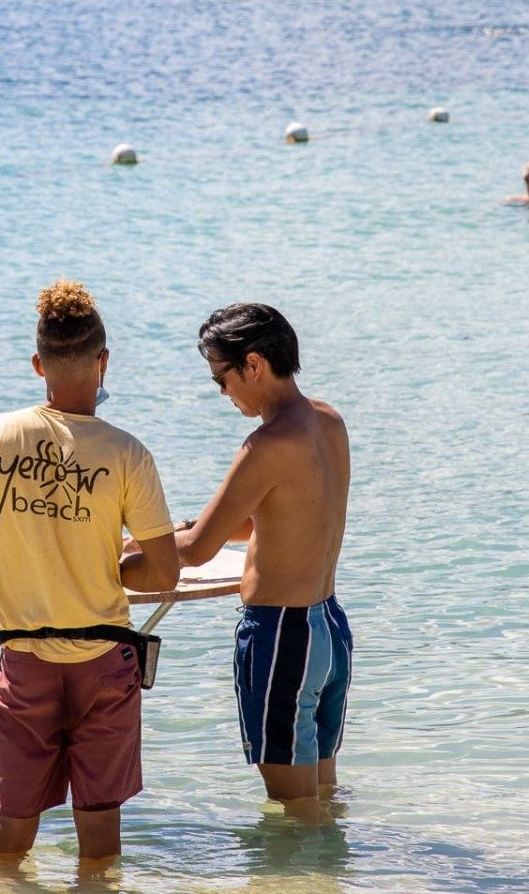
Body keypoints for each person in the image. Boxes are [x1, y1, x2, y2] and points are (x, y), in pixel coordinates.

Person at [0, 280, 179, 870]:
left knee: (11, 829)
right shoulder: (128, 453)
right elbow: (165, 570)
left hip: (24, 660)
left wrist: (23, 554)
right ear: (103, 363)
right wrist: (107, 562)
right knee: (100, 836)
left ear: (37, 364)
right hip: (103, 661)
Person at [170, 303, 352, 815]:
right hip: (328, 628)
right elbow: (276, 516)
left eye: (221, 379)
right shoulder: (328, 421)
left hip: (282, 637)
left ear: (253, 365)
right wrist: (164, 536)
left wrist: (100, 555)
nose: (223, 393)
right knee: (321, 801)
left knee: (294, 818)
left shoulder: (266, 443)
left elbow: (199, 549)